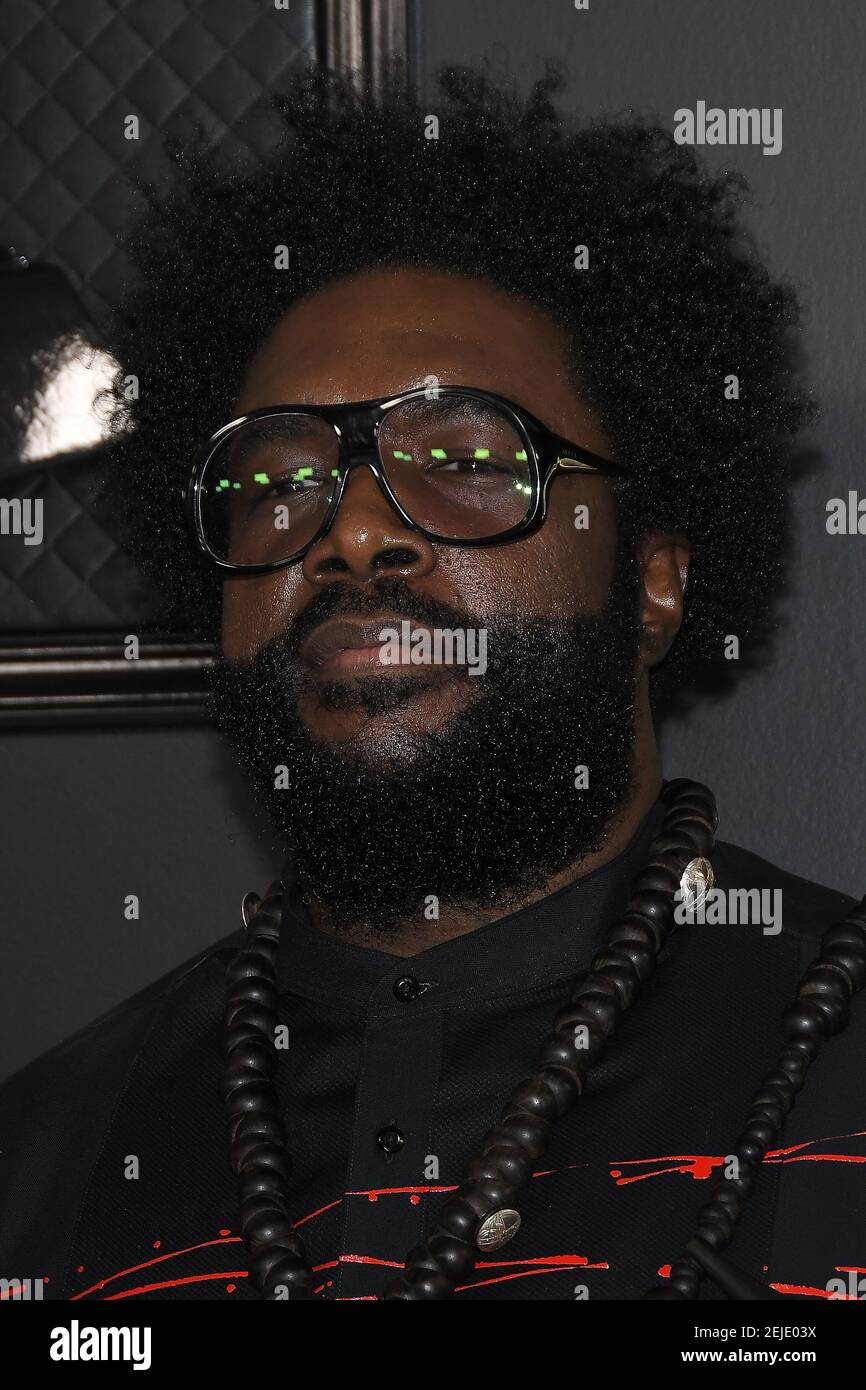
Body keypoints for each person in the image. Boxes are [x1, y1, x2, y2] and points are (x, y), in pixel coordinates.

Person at [1, 64, 863, 1304]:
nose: (351, 529)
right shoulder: (46, 1162)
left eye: (461, 456)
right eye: (274, 480)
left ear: (654, 587)